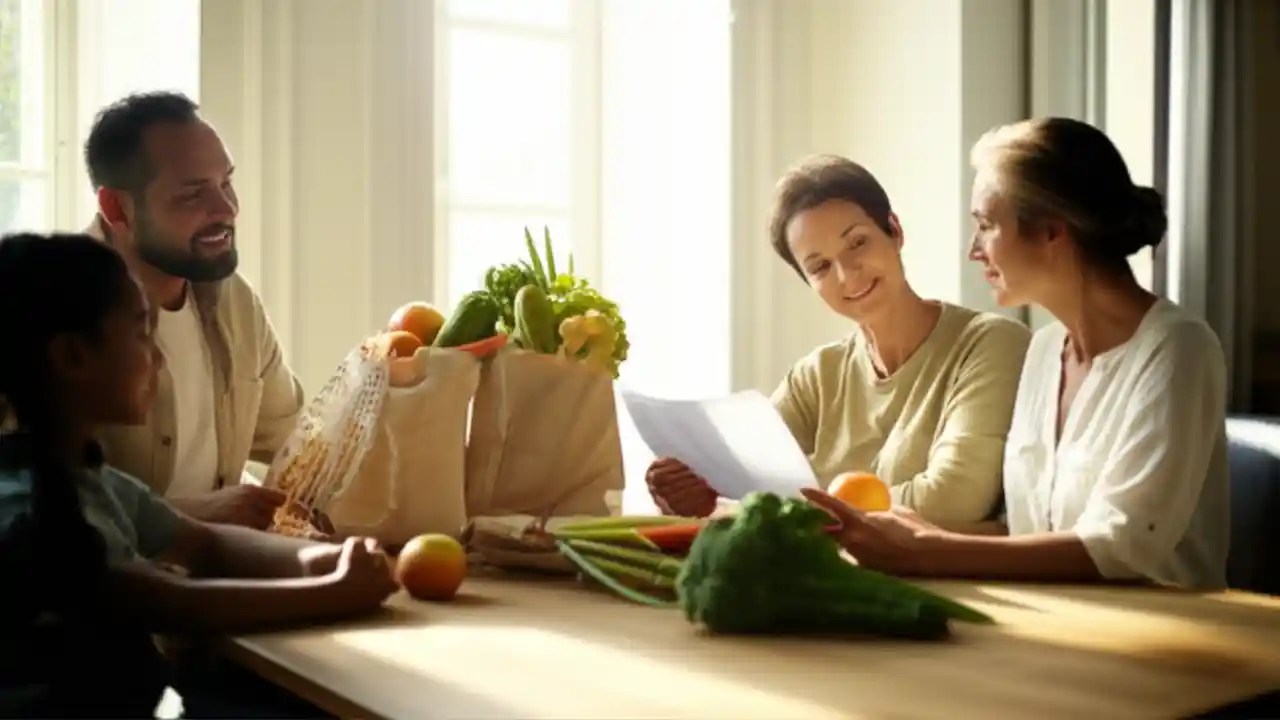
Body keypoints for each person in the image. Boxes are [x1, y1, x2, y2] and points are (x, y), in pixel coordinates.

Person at [804, 117, 1230, 590]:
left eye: (986, 225)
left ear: (1051, 231)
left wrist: (926, 549)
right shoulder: (1045, 350)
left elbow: (1121, 544)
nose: (974, 250)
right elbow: (1028, 533)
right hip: (1056, 617)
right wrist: (905, 533)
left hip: (1162, 624)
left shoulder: (1177, 350)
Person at [0, 233, 397, 716]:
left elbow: (208, 544)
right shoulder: (22, 509)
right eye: (142, 334)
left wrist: (325, 558)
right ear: (72, 356)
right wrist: (332, 591)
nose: (158, 358)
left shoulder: (100, 484)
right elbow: (179, 604)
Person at [647, 155, 1031, 528]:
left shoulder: (990, 344)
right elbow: (746, 480)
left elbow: (956, 498)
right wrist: (697, 493)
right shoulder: (816, 376)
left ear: (894, 231)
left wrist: (796, 512)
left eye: (857, 243)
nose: (846, 275)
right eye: (820, 266)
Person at [83, 91, 305, 529]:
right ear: (116, 208)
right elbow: (22, 512)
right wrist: (187, 518)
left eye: (227, 184)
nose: (227, 209)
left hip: (225, 561)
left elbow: (297, 443)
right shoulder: (38, 312)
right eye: (192, 194)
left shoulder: (234, 301)